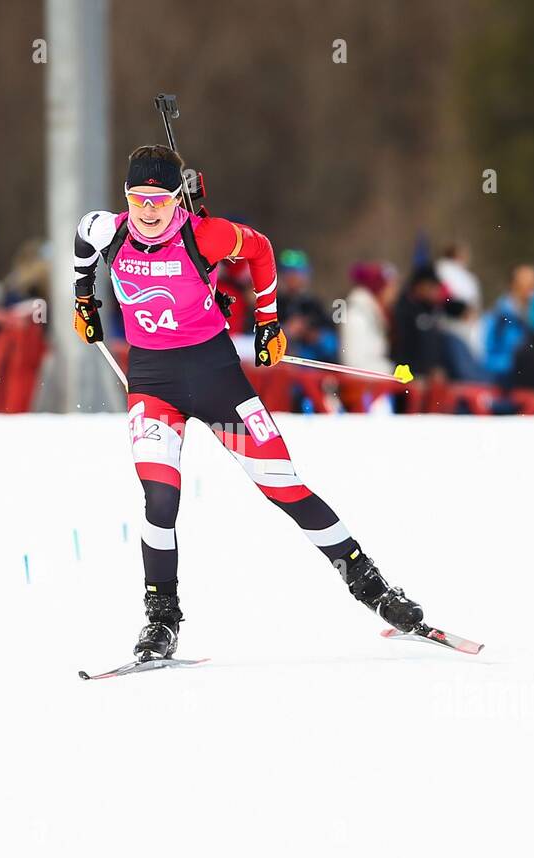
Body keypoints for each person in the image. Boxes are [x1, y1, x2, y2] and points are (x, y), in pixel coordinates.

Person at [71, 145, 424, 660]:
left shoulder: (206, 235)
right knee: (160, 498)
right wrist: (84, 298)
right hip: (153, 385)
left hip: (217, 383)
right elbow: (82, 238)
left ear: (177, 199)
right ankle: (161, 617)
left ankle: (373, 588)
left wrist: (268, 320)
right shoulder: (109, 230)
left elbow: (260, 250)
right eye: (138, 199)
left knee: (283, 485)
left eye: (159, 200)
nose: (148, 211)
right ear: (126, 198)